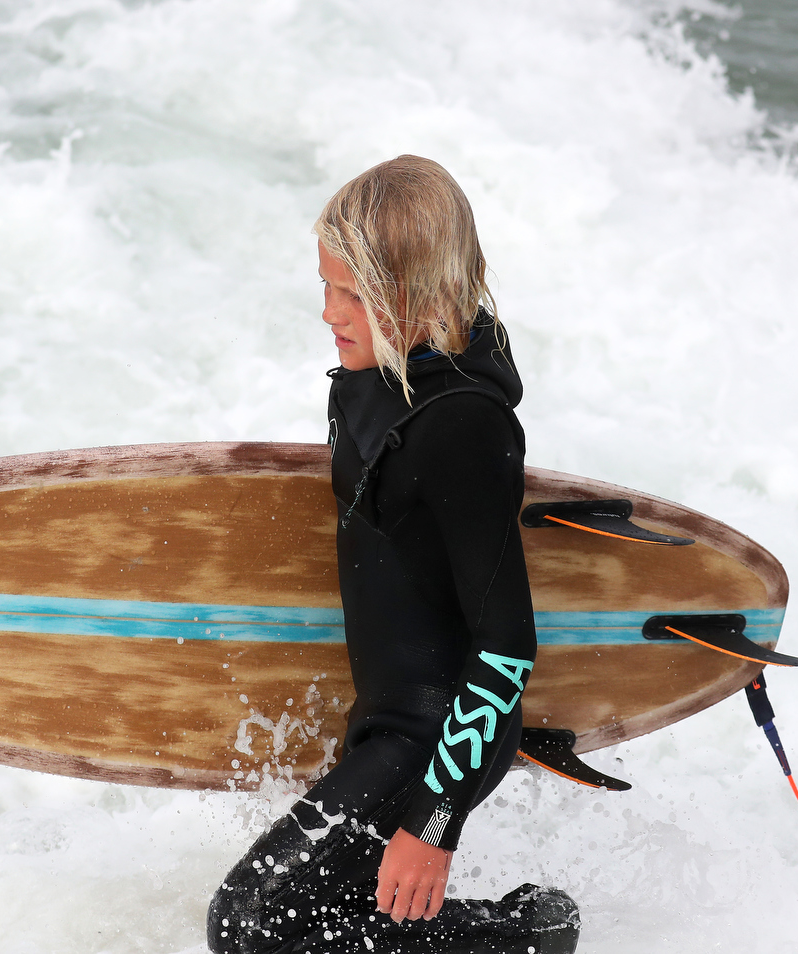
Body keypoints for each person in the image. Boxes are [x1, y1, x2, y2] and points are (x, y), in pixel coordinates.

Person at [207, 156, 579, 954]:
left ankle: (528, 937)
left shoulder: (465, 429)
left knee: (249, 926)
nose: (329, 314)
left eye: (352, 294)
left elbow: (507, 646)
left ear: (419, 295)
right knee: (320, 921)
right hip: (384, 721)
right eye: (325, 288)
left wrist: (433, 823)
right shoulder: (371, 376)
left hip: (436, 736)